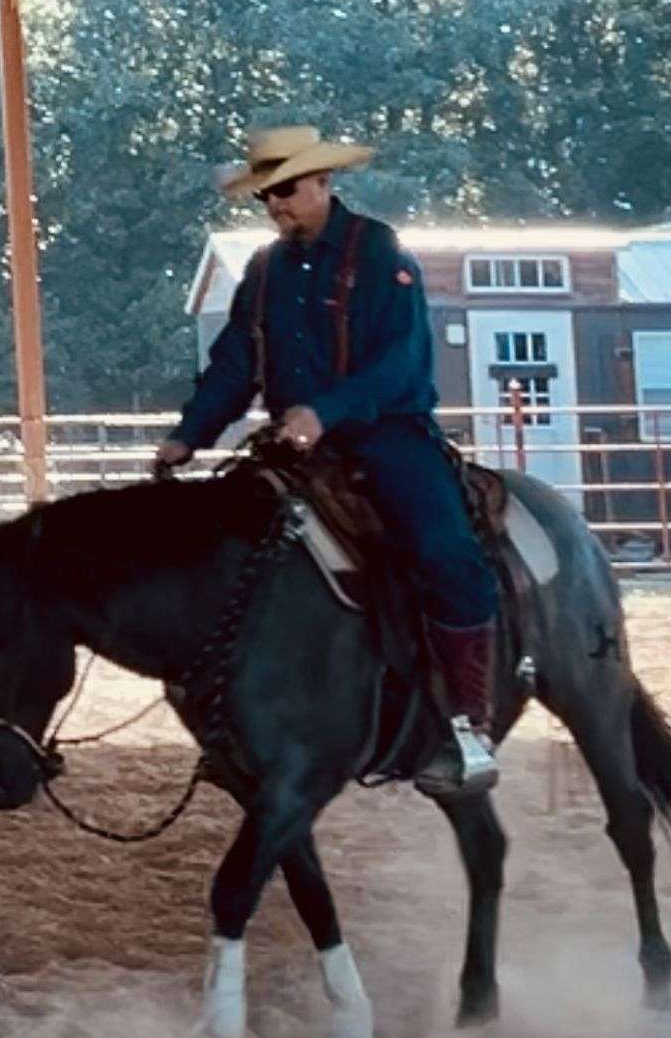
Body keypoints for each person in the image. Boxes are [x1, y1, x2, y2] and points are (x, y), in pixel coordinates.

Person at [155, 126, 499, 796]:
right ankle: (241, 724)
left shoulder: (379, 253)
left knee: (444, 548)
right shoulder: (264, 270)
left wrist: (327, 410)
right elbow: (233, 364)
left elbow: (400, 360)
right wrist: (189, 435)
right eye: (265, 197)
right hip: (291, 442)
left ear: (322, 183)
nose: (276, 207)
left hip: (387, 432)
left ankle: (467, 720)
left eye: (283, 191)